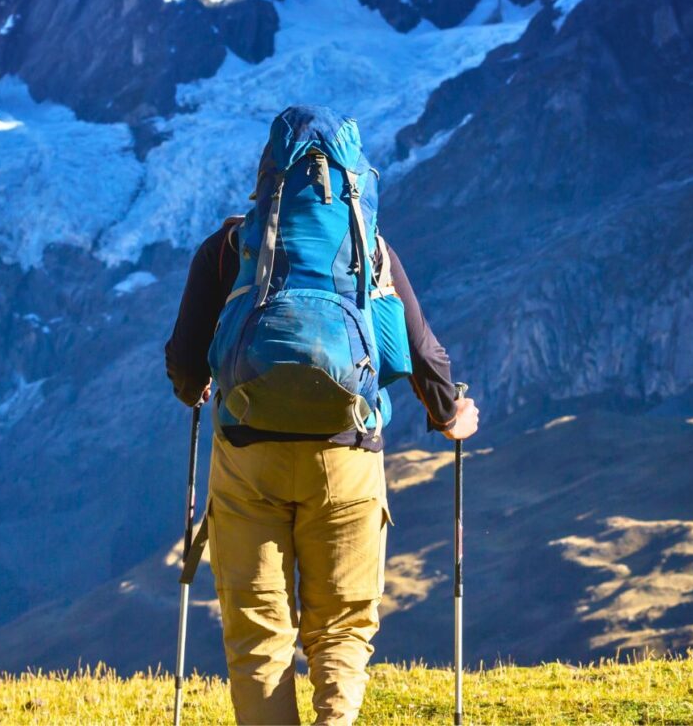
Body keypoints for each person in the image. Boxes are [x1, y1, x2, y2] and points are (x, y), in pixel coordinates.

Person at [166, 195, 479, 722]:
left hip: (248, 456)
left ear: (268, 180)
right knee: (341, 628)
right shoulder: (369, 247)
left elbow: (184, 365)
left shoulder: (228, 248)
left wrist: (195, 387)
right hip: (347, 455)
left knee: (259, 632)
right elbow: (424, 351)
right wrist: (451, 416)